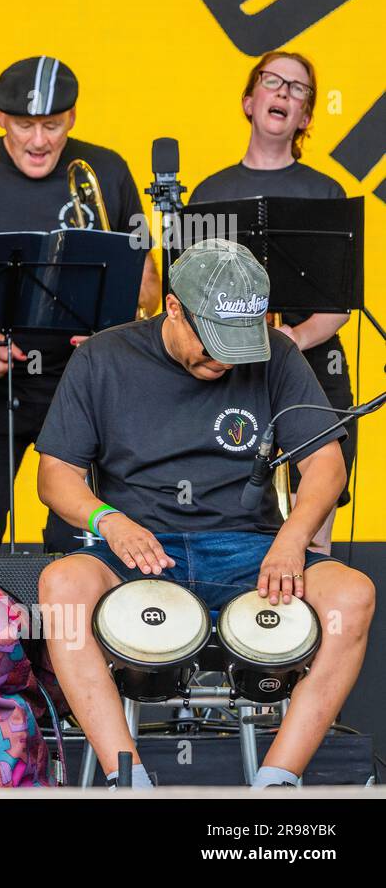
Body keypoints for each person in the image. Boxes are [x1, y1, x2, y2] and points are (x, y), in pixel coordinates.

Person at [35, 239, 373, 789]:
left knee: (353, 595)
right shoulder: (102, 356)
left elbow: (327, 467)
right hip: (139, 550)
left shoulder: (277, 355)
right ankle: (130, 779)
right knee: (61, 583)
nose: (225, 359)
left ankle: (277, 780)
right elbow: (54, 476)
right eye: (213, 342)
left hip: (252, 551)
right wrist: (108, 521)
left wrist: (293, 538)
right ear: (173, 307)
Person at [0, 56, 159, 553]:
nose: (39, 141)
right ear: (0, 118)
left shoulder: (107, 168)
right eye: (24, 125)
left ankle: (61, 632)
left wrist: (114, 317)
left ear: (74, 118)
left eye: (52, 125)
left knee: (75, 536)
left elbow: (149, 290)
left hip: (81, 383)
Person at [191, 51, 352, 553]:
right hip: (231, 373)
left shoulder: (326, 192)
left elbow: (341, 302)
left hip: (310, 369)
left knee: (315, 521)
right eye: (272, 81)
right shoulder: (210, 192)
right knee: (227, 513)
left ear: (304, 117)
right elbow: (189, 294)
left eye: (298, 88)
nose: (283, 92)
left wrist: (294, 337)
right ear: (248, 100)